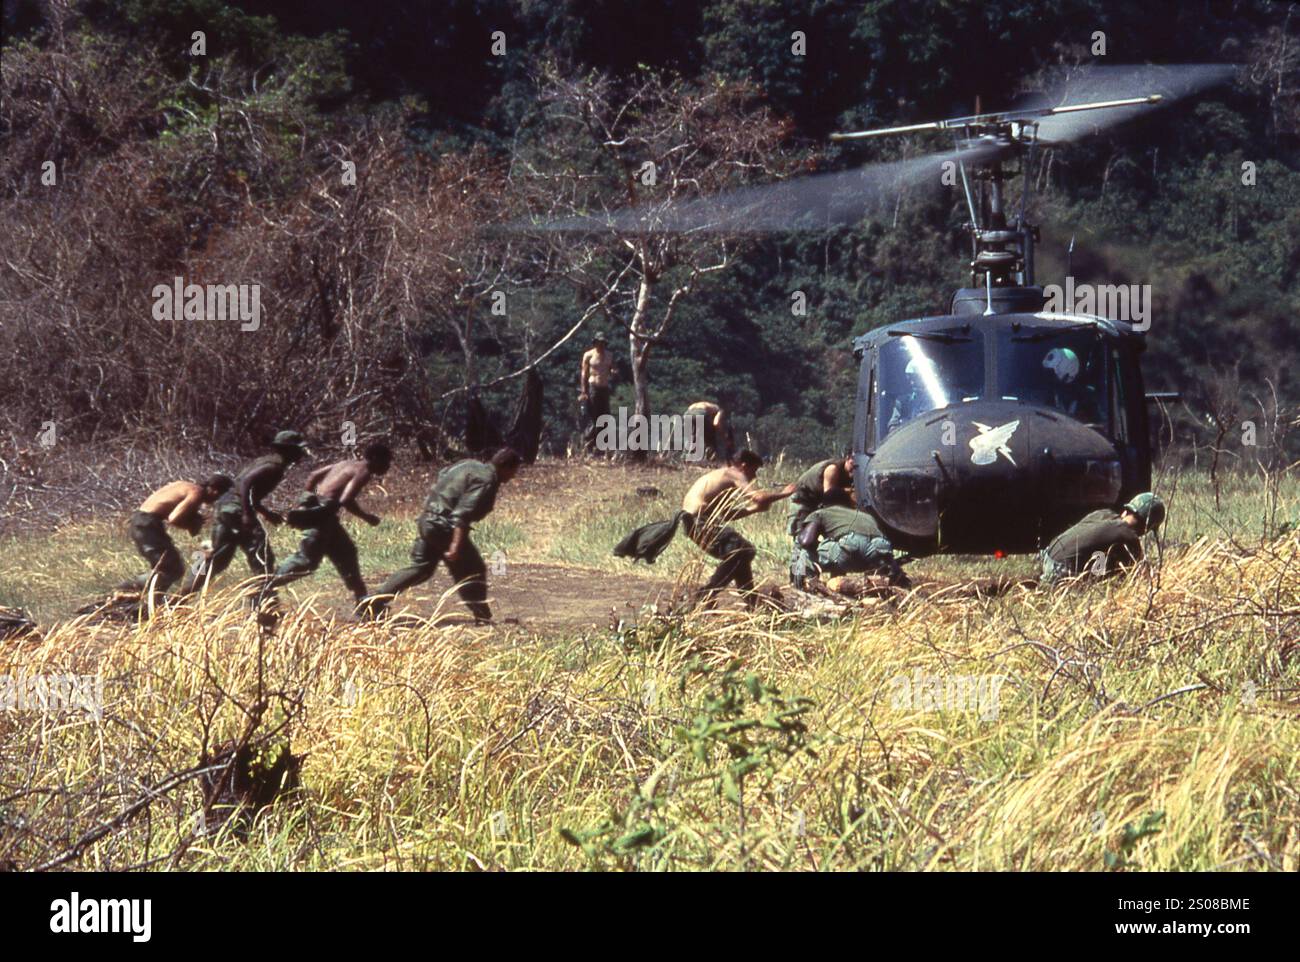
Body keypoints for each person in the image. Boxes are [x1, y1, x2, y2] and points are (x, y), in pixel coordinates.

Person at [361, 447, 522, 622]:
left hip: (427, 520)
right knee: (473, 569)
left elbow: (443, 474)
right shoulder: (487, 480)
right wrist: (455, 545)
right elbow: (461, 515)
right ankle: (482, 616)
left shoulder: (469, 464)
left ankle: (373, 602)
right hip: (443, 527)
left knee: (421, 568)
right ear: (505, 466)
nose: (513, 476)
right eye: (513, 471)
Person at [614, 450, 790, 609]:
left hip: (695, 522)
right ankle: (706, 594)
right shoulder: (735, 473)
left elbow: (725, 515)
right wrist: (786, 493)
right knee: (743, 551)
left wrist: (754, 510)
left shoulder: (721, 478)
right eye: (754, 471)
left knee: (740, 554)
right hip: (698, 521)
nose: (754, 476)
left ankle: (751, 602)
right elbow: (759, 497)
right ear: (744, 466)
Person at [181, 430, 310, 597]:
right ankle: (263, 605)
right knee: (262, 558)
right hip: (236, 511)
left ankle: (179, 598)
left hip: (227, 509)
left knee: (217, 560)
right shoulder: (274, 466)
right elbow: (245, 485)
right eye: (298, 450)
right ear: (288, 450)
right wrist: (247, 515)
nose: (301, 454)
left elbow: (248, 492)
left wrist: (266, 512)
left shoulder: (267, 462)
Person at [269, 442, 392, 605]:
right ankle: (263, 587)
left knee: (347, 552)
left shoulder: (345, 463)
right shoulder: (364, 470)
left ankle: (362, 600)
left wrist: (305, 501)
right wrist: (367, 517)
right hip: (322, 516)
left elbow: (314, 475)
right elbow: (346, 500)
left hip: (325, 515)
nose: (387, 466)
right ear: (375, 458)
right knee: (307, 561)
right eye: (386, 461)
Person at [120, 474, 233, 597]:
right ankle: (128, 587)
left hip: (142, 521)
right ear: (214, 490)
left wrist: (193, 522)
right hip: (146, 524)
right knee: (172, 568)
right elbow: (174, 518)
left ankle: (149, 601)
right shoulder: (197, 493)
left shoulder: (184, 485)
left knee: (167, 567)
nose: (215, 501)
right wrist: (191, 524)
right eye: (218, 496)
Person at [1040, 492, 1165, 585]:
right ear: (1146, 528)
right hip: (1062, 571)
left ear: (1126, 511)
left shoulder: (1103, 513)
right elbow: (1140, 577)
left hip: (1048, 555)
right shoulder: (1129, 538)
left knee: (1102, 562)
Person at [789, 505, 909, 591]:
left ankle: (803, 589)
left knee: (802, 549)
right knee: (839, 546)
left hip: (850, 547)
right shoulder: (865, 516)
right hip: (879, 550)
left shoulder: (821, 513)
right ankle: (898, 591)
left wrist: (801, 532)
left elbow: (806, 541)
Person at [786, 453, 855, 535]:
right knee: (801, 536)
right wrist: (849, 491)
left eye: (856, 467)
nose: (854, 469)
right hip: (804, 499)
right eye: (852, 464)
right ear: (847, 458)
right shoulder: (832, 469)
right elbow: (829, 495)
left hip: (819, 501)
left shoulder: (852, 475)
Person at [580, 332, 613, 454]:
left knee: (605, 418)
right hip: (593, 388)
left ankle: (601, 448)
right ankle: (588, 445)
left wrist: (614, 371)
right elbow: (584, 373)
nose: (601, 344)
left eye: (603, 342)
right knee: (594, 418)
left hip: (604, 388)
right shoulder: (588, 355)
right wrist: (584, 391)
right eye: (599, 342)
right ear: (595, 342)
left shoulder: (609, 355)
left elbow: (612, 368)